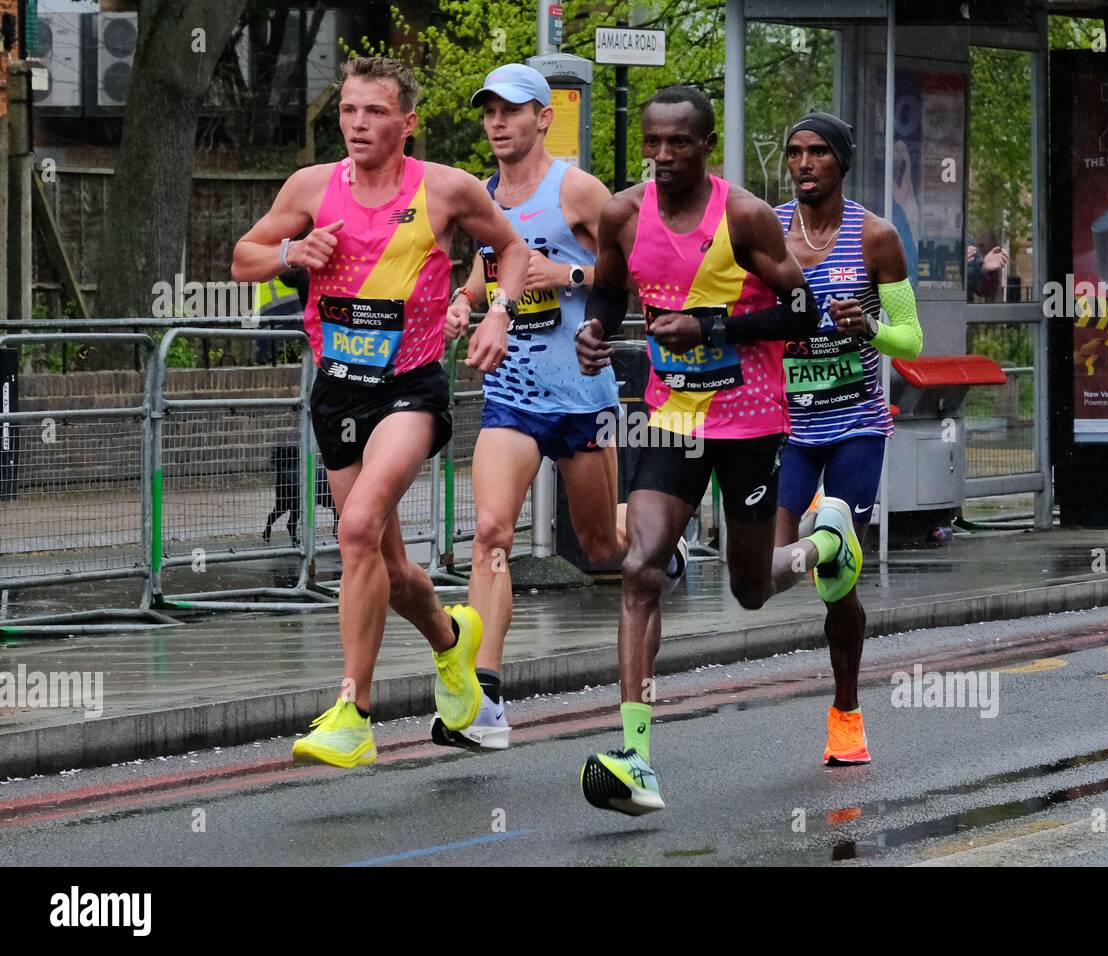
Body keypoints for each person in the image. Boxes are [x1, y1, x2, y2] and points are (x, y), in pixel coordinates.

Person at [573, 87, 864, 815]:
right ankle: (636, 755)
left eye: (679, 144)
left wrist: (712, 330)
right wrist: (594, 332)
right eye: (653, 143)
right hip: (674, 419)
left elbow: (801, 310)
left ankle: (824, 547)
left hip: (752, 423)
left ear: (706, 146)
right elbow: (608, 292)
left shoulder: (744, 216)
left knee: (750, 589)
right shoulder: (623, 212)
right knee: (640, 567)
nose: (663, 157)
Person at [231, 56, 529, 768]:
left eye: (373, 112)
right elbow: (243, 257)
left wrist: (498, 316)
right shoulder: (311, 186)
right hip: (337, 389)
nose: (358, 124)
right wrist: (290, 253)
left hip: (410, 387)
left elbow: (511, 249)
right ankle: (451, 642)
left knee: (355, 526)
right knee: (386, 567)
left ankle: (354, 714)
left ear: (406, 123)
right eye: (348, 111)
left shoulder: (446, 189)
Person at [433, 64, 687, 751]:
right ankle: (485, 698)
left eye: (511, 111)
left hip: (582, 397)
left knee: (602, 546)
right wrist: (463, 305)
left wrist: (568, 273)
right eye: (488, 111)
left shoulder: (575, 189)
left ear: (543, 118)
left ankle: (661, 536)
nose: (497, 123)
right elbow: (482, 275)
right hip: (512, 396)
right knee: (490, 534)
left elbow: (635, 271)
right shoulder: (482, 194)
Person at [774, 111, 923, 766]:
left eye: (818, 154)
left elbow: (911, 339)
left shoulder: (876, 237)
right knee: (776, 573)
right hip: (789, 428)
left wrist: (867, 328)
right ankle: (822, 546)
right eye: (795, 153)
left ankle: (847, 710)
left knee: (834, 555)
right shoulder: (766, 232)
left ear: (842, 162)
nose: (804, 164)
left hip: (858, 424)